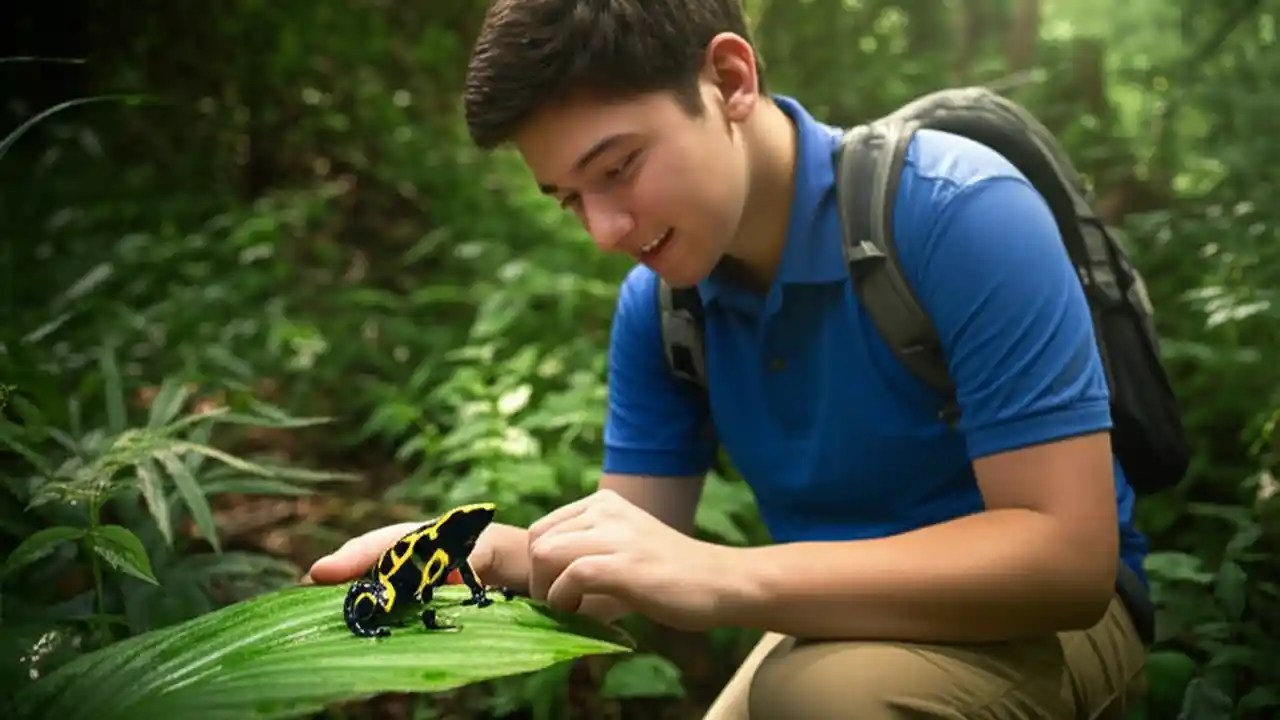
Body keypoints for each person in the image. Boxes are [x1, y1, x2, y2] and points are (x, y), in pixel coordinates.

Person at [306, 0, 1151, 717]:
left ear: (731, 81)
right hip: (830, 620)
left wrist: (725, 577)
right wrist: (477, 552)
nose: (603, 231)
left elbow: (1068, 563)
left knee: (822, 699)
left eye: (619, 168)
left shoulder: (958, 212)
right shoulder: (664, 304)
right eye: (571, 199)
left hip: (1051, 624)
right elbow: (625, 551)